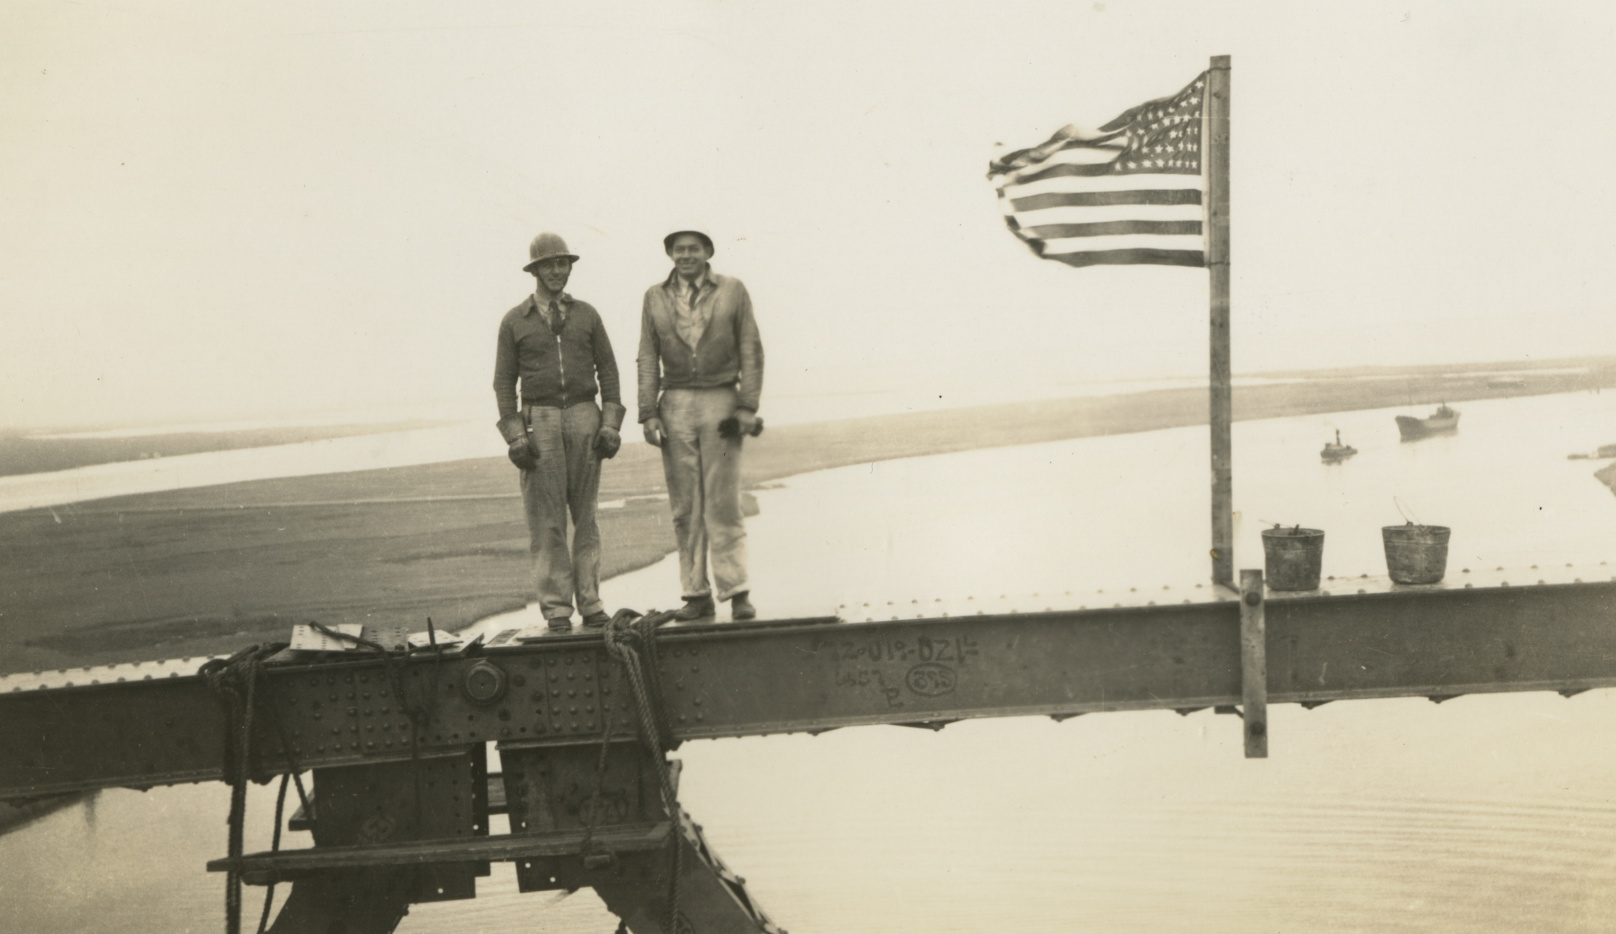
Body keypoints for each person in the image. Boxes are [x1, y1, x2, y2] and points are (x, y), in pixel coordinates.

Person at [494, 232, 625, 631]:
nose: (556, 271)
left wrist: (610, 424)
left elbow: (609, 372)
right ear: (534, 270)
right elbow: (504, 383)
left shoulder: (588, 314)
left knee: (586, 517)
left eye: (562, 263)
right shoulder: (515, 321)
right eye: (548, 264)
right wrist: (516, 436)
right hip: (541, 421)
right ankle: (556, 610)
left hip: (585, 416)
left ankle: (591, 603)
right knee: (547, 521)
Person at [637, 228, 764, 621]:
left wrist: (746, 406)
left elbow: (751, 348)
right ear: (670, 255)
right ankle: (695, 594)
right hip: (674, 404)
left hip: (721, 401)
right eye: (679, 250)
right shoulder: (654, 296)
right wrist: (648, 412)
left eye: (694, 248)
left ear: (708, 252)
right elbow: (646, 354)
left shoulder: (732, 290)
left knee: (723, 501)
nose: (686, 255)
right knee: (685, 506)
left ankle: (737, 590)